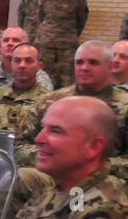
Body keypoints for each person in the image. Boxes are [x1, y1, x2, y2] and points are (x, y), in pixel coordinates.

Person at [16, 41, 128, 181]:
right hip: (52, 177)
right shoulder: (51, 102)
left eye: (93, 63)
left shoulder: (125, 106)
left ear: (110, 66)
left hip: (104, 180)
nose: (84, 68)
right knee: (21, 178)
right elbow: (19, 145)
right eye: (79, 62)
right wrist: (57, 159)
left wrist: (94, 165)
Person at [0, 25, 53, 102]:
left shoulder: (38, 76)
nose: (9, 43)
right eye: (6, 40)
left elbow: (45, 105)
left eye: (15, 40)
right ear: (0, 45)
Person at [36, 0, 89, 90]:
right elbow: (40, 17)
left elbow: (81, 20)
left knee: (67, 77)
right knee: (45, 75)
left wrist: (71, 34)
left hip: (67, 45)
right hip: (47, 43)